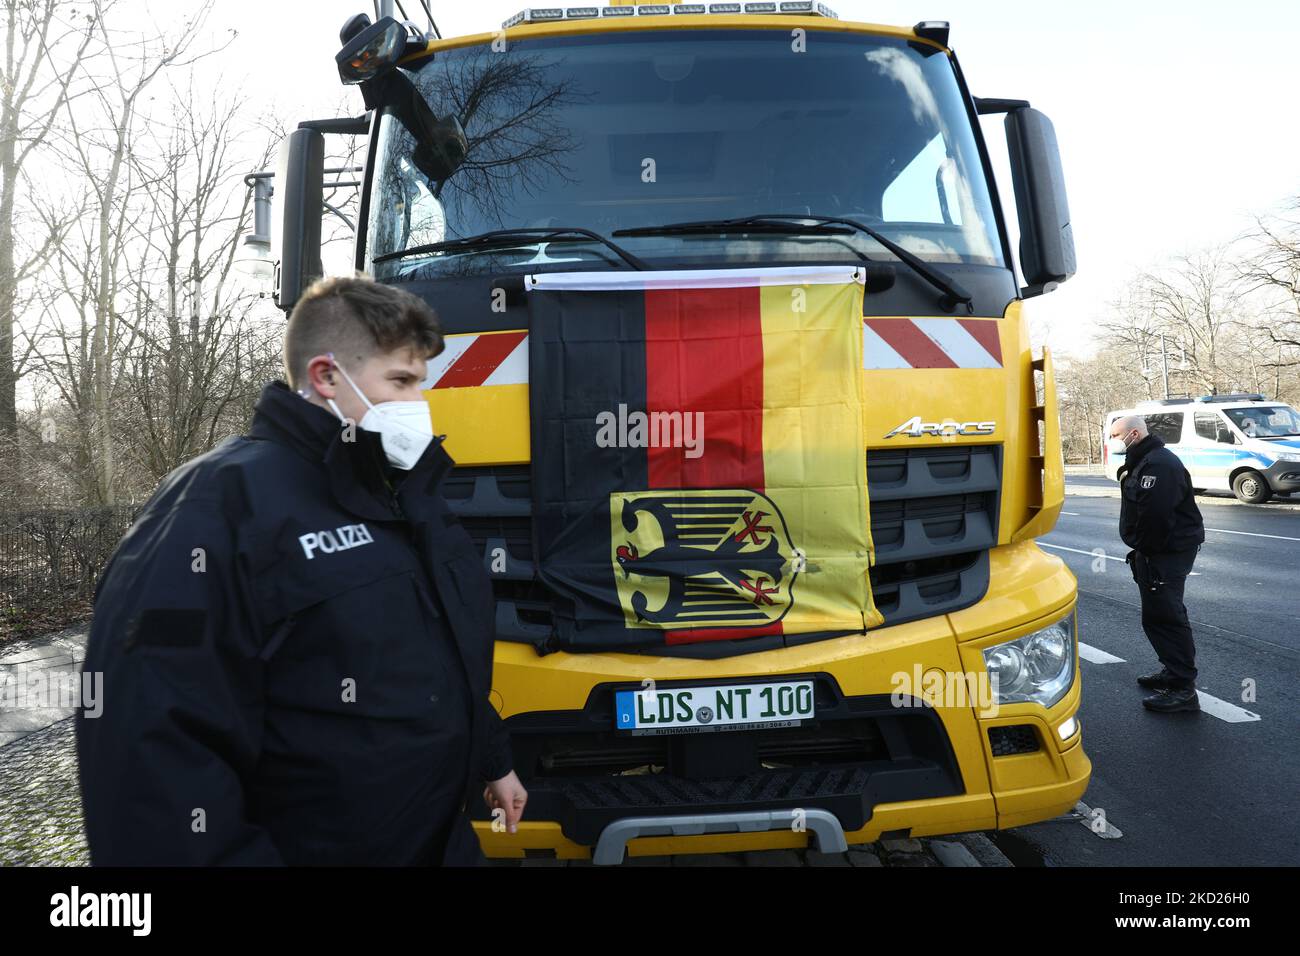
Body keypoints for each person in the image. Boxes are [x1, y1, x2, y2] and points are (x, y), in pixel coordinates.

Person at [76, 274, 527, 864]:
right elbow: (147, 750)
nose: (419, 404)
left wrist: (492, 759)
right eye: (400, 381)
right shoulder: (217, 506)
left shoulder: (403, 497)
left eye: (421, 383)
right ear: (326, 376)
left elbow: (433, 653)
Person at [1107, 415, 1206, 713]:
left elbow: (1158, 517)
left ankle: (1182, 689)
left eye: (1116, 434)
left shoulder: (1158, 465)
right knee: (1157, 614)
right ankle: (1172, 671)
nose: (1112, 440)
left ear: (1134, 434)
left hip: (1165, 552)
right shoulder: (1145, 460)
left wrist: (1146, 552)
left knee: (1166, 616)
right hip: (1157, 550)